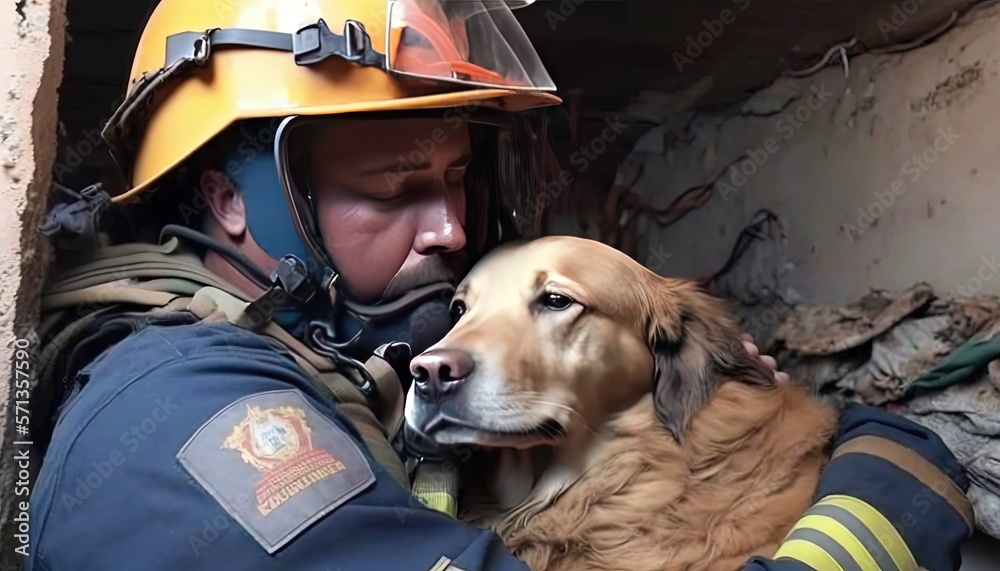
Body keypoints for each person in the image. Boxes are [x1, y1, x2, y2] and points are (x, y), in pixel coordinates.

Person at [25, 1, 975, 570]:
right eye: (393, 189)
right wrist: (877, 501)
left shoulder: (337, 352)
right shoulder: (183, 419)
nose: (451, 231)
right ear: (232, 202)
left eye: (456, 183)